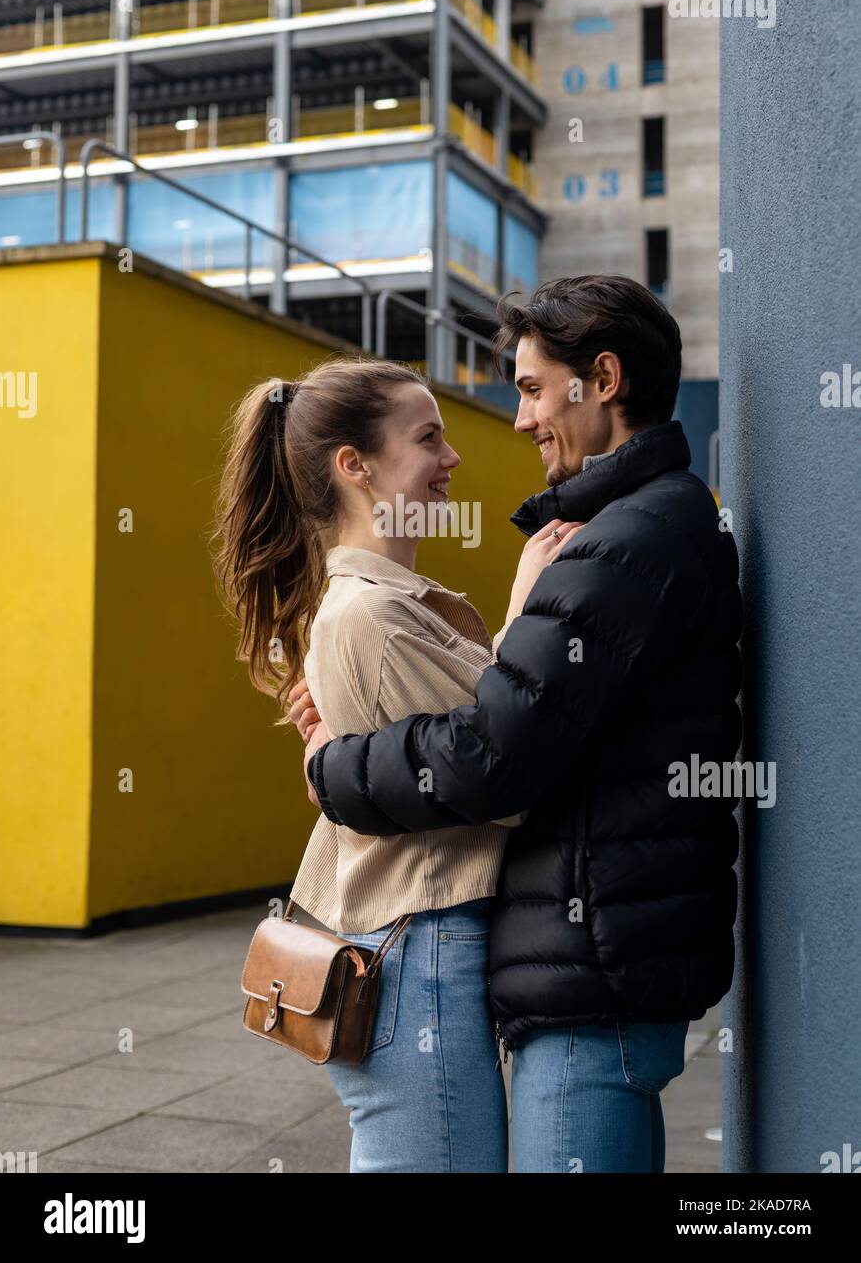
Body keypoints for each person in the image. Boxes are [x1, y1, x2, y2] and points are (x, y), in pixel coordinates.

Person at [298, 275, 744, 1174]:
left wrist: (332, 767)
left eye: (533, 388)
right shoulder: (625, 529)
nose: (516, 418)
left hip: (594, 969)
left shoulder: (621, 540)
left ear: (603, 380)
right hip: (587, 961)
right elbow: (516, 716)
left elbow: (492, 754)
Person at [211, 354, 580, 1173]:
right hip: (422, 950)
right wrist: (528, 604)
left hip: (414, 945)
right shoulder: (373, 616)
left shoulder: (382, 606)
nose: (451, 459)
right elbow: (504, 757)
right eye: (426, 439)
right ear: (356, 466)